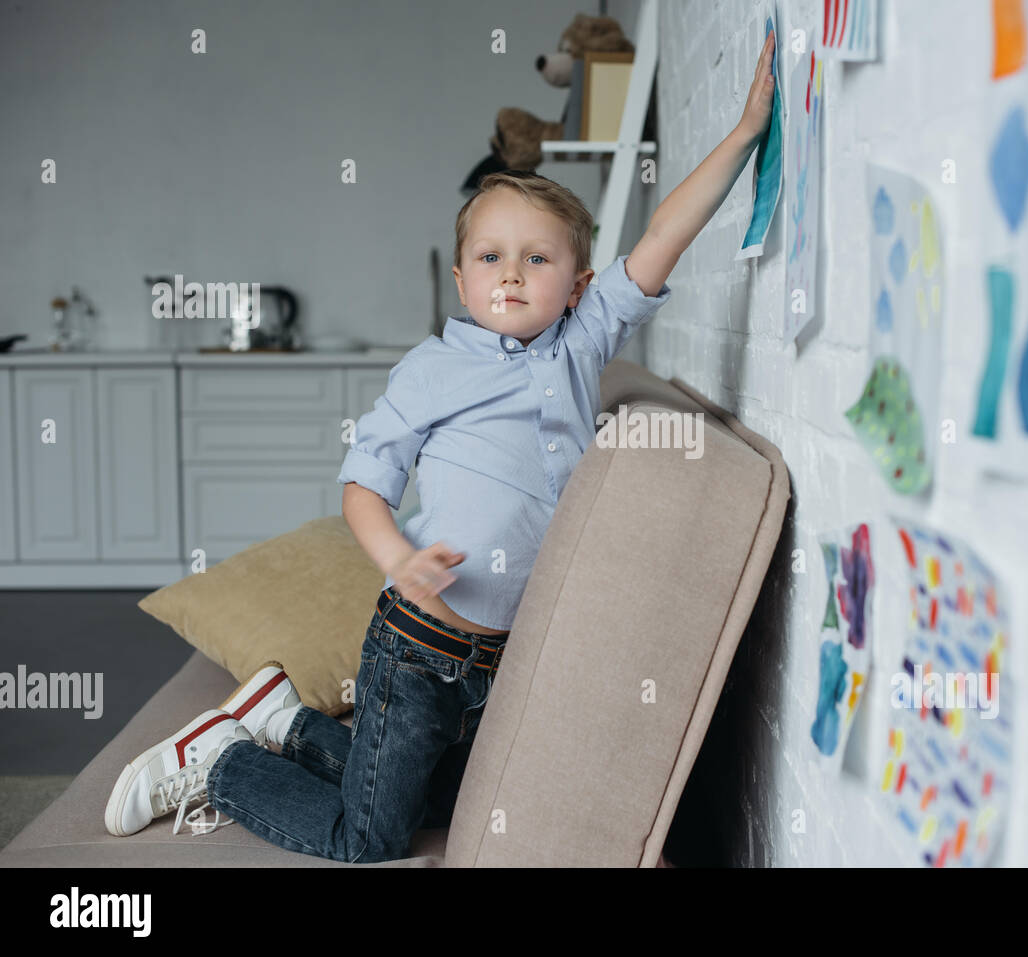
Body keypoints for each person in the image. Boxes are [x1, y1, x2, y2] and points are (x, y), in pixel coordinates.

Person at [104, 29, 778, 862]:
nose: (512, 273)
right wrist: (398, 561)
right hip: (416, 649)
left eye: (538, 258)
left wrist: (746, 133)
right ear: (461, 279)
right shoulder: (432, 368)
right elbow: (363, 486)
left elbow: (664, 236)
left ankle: (285, 717)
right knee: (370, 836)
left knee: (442, 799)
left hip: (496, 662)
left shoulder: (582, 343)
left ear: (577, 283)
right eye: (491, 256)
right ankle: (225, 761)